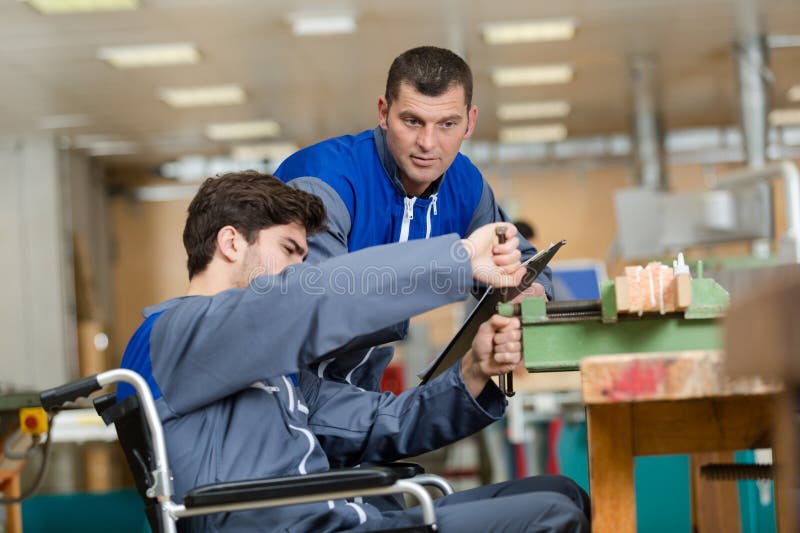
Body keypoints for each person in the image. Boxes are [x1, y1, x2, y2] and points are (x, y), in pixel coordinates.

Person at [118, 171, 589, 532]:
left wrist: (473, 372)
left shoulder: (271, 366)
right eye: (288, 250)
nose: (295, 271)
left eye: (304, 260)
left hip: (341, 517)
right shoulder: (177, 334)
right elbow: (313, 297)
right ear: (230, 241)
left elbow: (378, 424)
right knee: (551, 515)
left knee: (562, 490)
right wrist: (459, 259)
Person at [275, 45, 552, 392]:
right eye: (412, 121)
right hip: (280, 391)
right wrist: (456, 261)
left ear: (470, 122)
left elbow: (524, 262)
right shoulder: (322, 181)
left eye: (447, 124)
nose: (427, 143)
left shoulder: (465, 184)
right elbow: (321, 299)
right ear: (383, 112)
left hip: (357, 391)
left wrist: (530, 292)